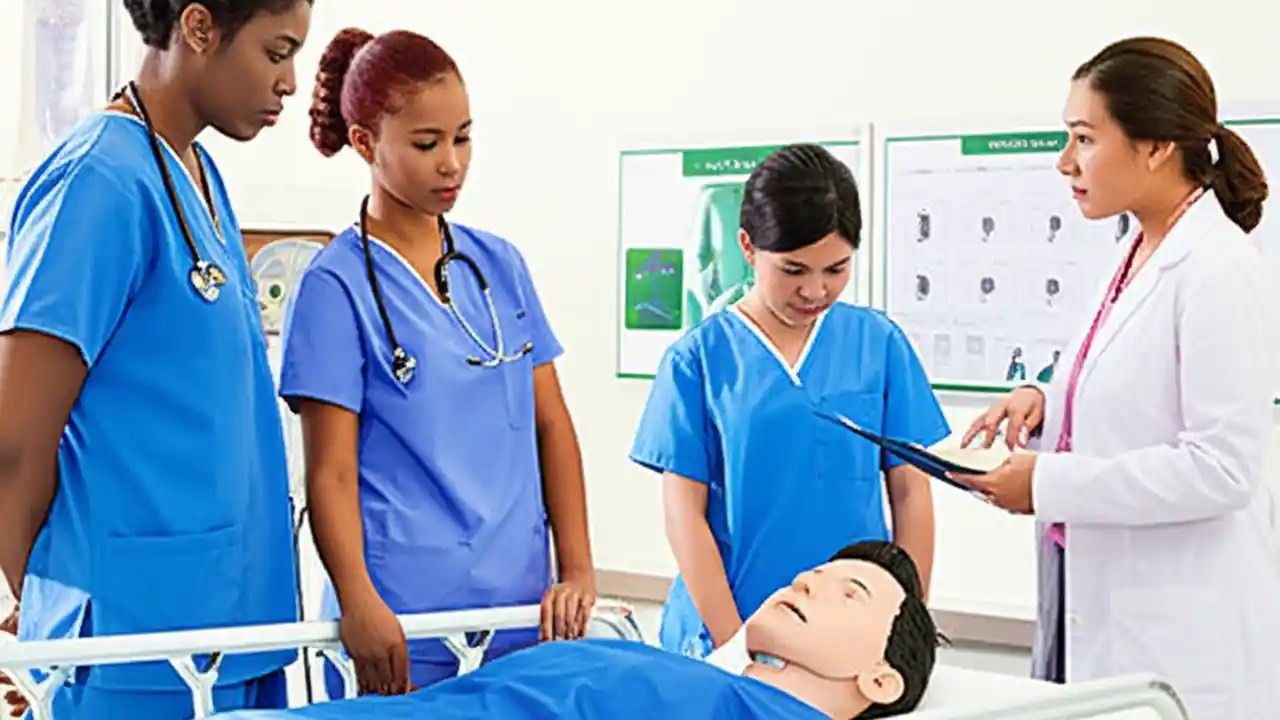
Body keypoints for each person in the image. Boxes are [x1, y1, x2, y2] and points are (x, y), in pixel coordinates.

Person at [0, 0, 313, 716]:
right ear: (198, 28)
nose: (290, 82)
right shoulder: (98, 181)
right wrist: (49, 608)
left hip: (234, 626)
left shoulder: (195, 171)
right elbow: (14, 443)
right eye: (276, 52)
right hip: (133, 645)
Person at [958, 36, 1280, 719]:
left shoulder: (1217, 270)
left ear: (1155, 146)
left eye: (1084, 138)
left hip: (1183, 642)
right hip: (1094, 601)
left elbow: (1224, 467)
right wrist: (1046, 399)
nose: (1064, 162)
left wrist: (1046, 483)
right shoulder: (1137, 249)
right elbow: (1130, 386)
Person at [278, 27, 596, 698]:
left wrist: (577, 570)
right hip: (401, 624)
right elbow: (330, 472)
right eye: (427, 144)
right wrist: (357, 599)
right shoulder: (335, 287)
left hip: (521, 615)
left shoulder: (500, 265)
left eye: (463, 138)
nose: (452, 164)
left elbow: (551, 425)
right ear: (365, 142)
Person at [630, 143, 949, 660]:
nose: (815, 290)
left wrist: (903, 628)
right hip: (730, 627)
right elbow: (683, 516)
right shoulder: (699, 359)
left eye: (836, 269)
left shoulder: (878, 344)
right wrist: (734, 647)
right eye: (794, 270)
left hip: (847, 639)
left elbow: (911, 494)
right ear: (748, 247)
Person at [211, 540, 940, 720]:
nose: (807, 582)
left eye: (849, 593)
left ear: (881, 680)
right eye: (812, 572)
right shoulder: (701, 681)